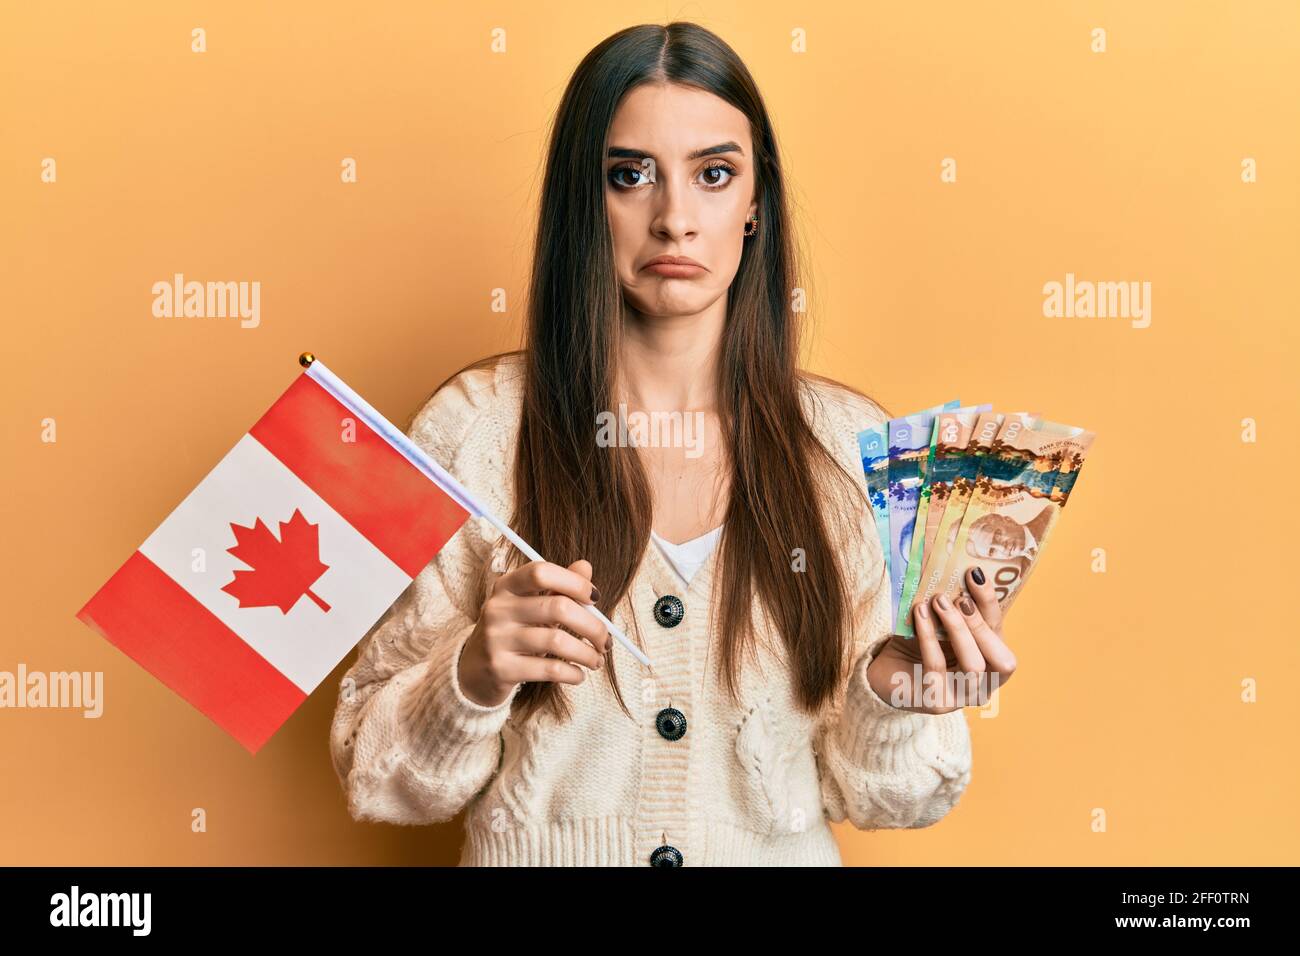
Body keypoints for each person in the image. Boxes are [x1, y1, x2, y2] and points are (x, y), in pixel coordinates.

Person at [329, 20, 1017, 867]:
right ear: (586, 201)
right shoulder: (475, 429)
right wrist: (472, 674)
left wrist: (898, 689)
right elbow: (377, 775)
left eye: (715, 174)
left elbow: (888, 799)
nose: (675, 220)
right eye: (630, 177)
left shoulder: (852, 447)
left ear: (756, 203)